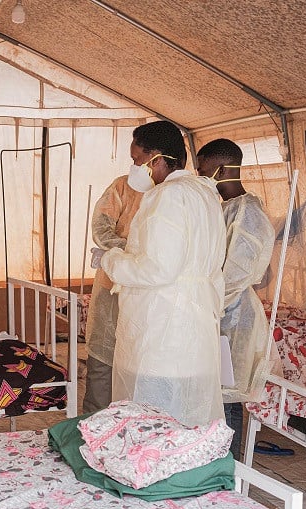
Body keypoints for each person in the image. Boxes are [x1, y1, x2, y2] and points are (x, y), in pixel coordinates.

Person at [95, 120, 227, 427]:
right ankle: (186, 468)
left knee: (154, 416)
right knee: (188, 413)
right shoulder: (204, 193)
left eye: (136, 160)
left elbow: (156, 269)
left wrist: (111, 259)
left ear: (156, 159)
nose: (134, 168)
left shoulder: (166, 196)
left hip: (163, 326)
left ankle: (156, 467)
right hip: (193, 322)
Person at [197, 138, 274, 459]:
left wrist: (206, 307)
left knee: (227, 396)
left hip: (233, 315)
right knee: (212, 393)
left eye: (204, 171)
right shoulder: (224, 208)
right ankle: (213, 459)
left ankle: (227, 465)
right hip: (216, 311)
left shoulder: (248, 213)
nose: (202, 177)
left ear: (223, 168)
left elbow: (237, 274)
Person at [82, 175, 143, 415]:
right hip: (112, 285)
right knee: (103, 357)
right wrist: (131, 253)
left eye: (140, 158)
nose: (137, 165)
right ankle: (94, 425)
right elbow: (101, 227)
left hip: (148, 292)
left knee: (140, 364)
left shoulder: (175, 192)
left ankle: (133, 426)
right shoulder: (123, 187)